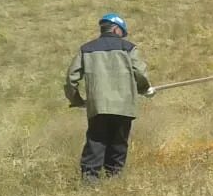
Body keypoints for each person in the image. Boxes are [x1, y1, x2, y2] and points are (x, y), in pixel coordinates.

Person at [64, 13, 153, 181]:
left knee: (96, 142)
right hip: (123, 106)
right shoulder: (129, 48)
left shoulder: (86, 49)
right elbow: (140, 73)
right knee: (118, 144)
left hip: (98, 106)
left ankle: (90, 182)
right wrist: (145, 88)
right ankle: (114, 179)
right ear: (116, 29)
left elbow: (71, 79)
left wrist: (76, 100)